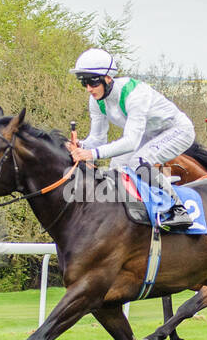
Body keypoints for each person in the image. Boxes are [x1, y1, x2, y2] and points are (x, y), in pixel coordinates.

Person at [67, 48, 196, 231]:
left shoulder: (134, 94)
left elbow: (131, 142)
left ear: (108, 78)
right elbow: (98, 138)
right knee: (115, 167)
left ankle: (178, 208)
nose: (89, 88)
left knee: (139, 160)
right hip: (148, 134)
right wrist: (80, 145)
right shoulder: (96, 100)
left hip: (177, 130)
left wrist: (90, 153)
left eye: (92, 82)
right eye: (84, 83)